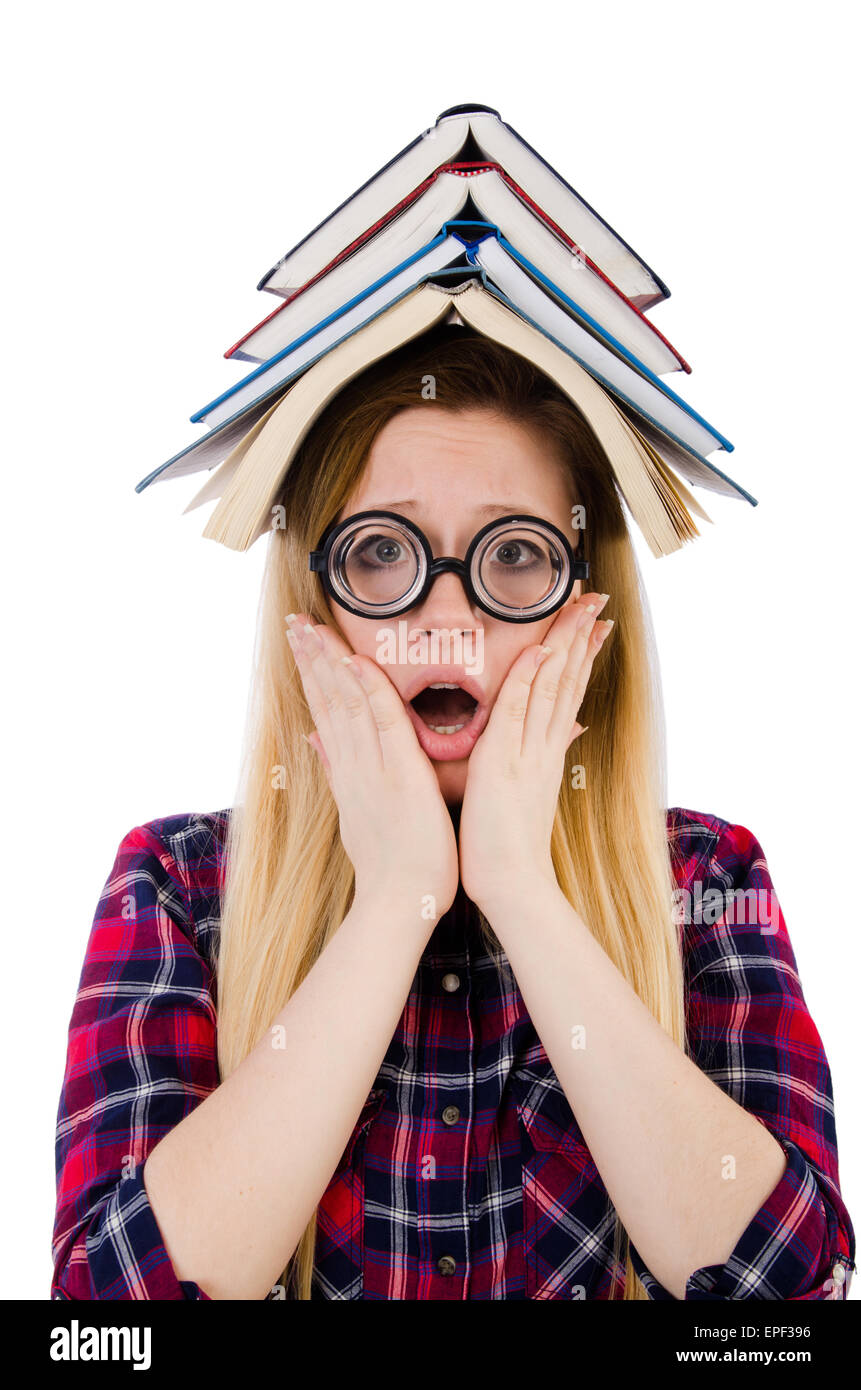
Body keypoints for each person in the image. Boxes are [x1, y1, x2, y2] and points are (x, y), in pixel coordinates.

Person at [51, 328, 855, 1300]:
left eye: (515, 553)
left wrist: (520, 886)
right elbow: (106, 1316)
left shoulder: (706, 879)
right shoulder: (177, 882)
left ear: (585, 607)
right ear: (316, 602)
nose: (446, 618)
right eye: (382, 551)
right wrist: (396, 899)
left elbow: (791, 1300)